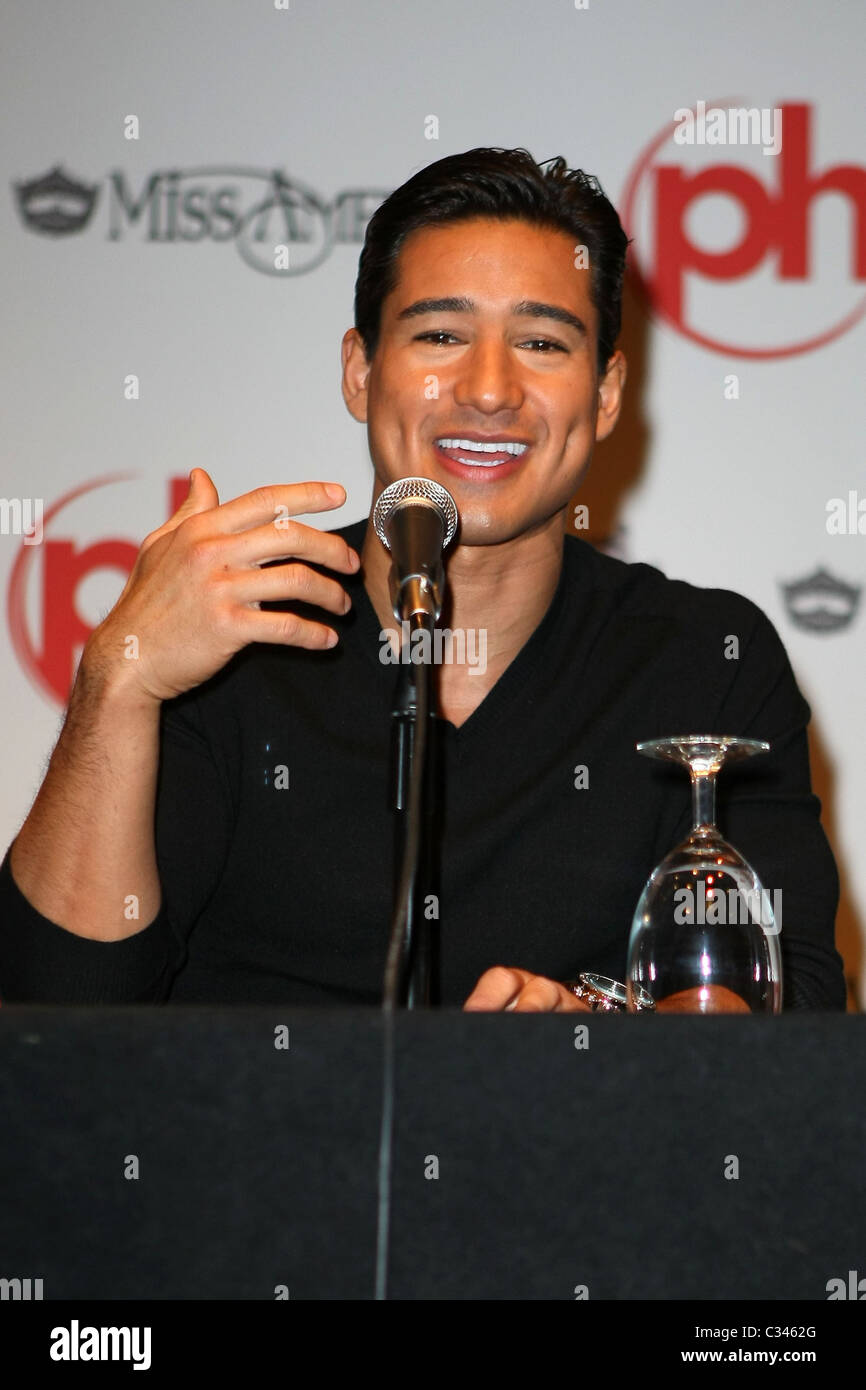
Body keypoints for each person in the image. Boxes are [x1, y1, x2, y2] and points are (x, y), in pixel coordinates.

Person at [0, 148, 846, 1012]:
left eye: (542, 342)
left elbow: (795, 998)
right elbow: (54, 1010)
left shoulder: (708, 660)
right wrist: (119, 677)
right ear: (360, 372)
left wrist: (608, 1056)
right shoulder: (234, 633)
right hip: (238, 1142)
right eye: (440, 335)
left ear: (604, 394)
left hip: (561, 1148)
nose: (488, 389)